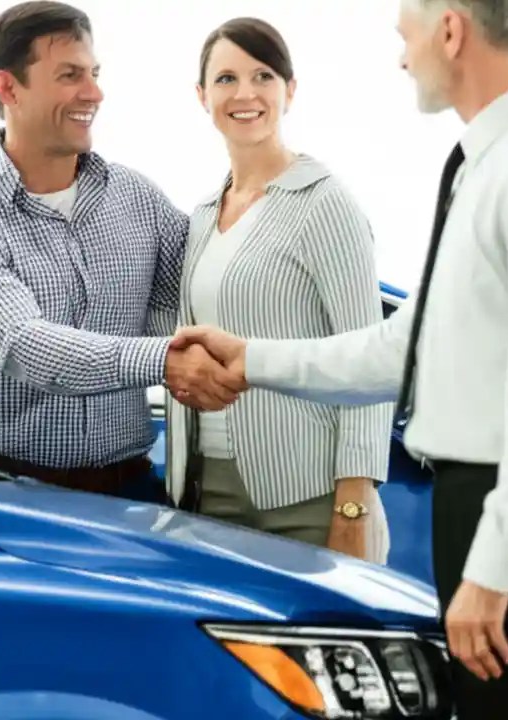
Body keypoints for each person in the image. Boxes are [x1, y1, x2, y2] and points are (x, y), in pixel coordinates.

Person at [172, 0, 508, 715]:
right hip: (480, 502)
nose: (401, 57)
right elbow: (401, 345)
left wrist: (494, 568)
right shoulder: (488, 167)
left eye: (405, 36)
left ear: (450, 30)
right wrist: (252, 359)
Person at [0, 1, 243, 503]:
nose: (94, 93)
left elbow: (211, 294)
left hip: (133, 495)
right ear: (8, 88)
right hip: (9, 501)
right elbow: (28, 347)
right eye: (70, 75)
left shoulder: (136, 197)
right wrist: (166, 361)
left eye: (94, 73)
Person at [165, 17, 392, 562]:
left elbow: (368, 361)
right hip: (204, 493)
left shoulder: (323, 202)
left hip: (306, 495)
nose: (245, 94)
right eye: (225, 79)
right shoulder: (200, 217)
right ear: (202, 96)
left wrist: (354, 506)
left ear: (289, 90)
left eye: (263, 75)